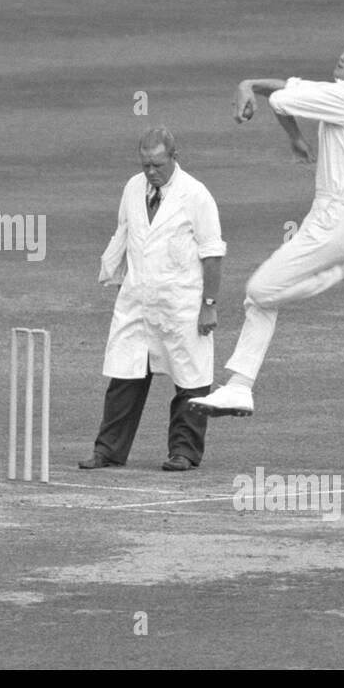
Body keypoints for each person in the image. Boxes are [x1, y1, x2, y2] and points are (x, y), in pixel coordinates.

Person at [191, 30, 344, 419]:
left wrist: (248, 85)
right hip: (328, 217)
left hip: (338, 220)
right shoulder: (340, 91)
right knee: (261, 301)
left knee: (261, 289)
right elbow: (286, 93)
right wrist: (296, 140)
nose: (341, 57)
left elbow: (281, 98)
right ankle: (238, 387)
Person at [80, 127, 226, 472]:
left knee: (190, 379)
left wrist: (209, 306)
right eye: (145, 164)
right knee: (124, 376)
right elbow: (123, 236)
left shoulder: (196, 195)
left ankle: (184, 452)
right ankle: (109, 451)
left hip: (181, 304)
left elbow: (213, 254)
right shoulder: (133, 187)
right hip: (137, 300)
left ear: (174, 157)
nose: (150, 172)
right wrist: (118, 285)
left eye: (157, 164)